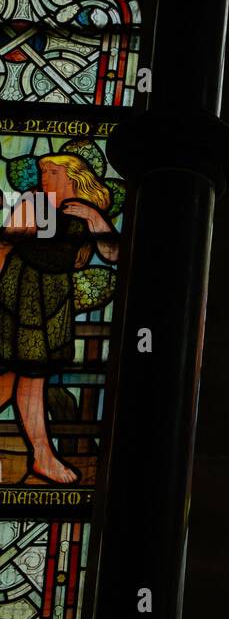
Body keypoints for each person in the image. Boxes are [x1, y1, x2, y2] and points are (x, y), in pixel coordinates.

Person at [0, 153, 118, 484]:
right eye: (42, 172)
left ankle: (42, 455)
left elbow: (115, 255)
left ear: (71, 177)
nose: (44, 177)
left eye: (51, 172)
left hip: (52, 301)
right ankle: (42, 455)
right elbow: (9, 241)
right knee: (30, 375)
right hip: (23, 296)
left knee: (18, 376)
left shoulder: (81, 212)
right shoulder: (36, 202)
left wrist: (96, 218)